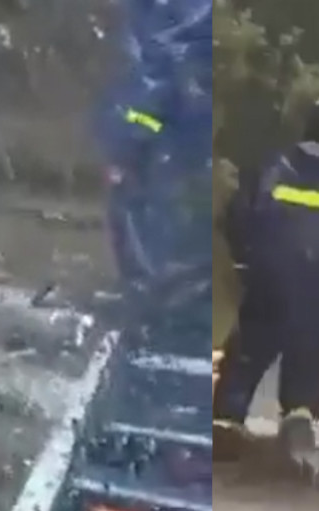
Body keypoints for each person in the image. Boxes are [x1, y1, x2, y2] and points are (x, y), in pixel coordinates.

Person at [211, 95, 319, 465]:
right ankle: (296, 434)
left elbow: (237, 217)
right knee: (306, 372)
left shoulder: (275, 165)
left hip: (266, 287)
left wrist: (247, 260)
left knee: (243, 364)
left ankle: (222, 432)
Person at [96, 0, 213, 347]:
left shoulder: (168, 19)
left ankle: (155, 311)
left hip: (167, 133)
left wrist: (128, 142)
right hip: (183, 128)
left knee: (139, 208)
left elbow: (159, 67)